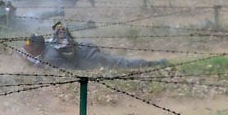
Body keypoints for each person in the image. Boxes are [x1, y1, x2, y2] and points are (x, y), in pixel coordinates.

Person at [22, 24, 168, 70]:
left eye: (29, 47)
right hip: (87, 48)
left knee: (121, 63)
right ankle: (148, 62)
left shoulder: (50, 56)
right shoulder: (46, 45)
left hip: (89, 57)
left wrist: (43, 68)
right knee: (116, 59)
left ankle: (153, 64)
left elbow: (68, 70)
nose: (26, 48)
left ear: (36, 48)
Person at [0, 2, 65, 38]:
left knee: (43, 22)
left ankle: (59, 13)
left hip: (25, 25)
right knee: (43, 19)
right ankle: (59, 13)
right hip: (23, 22)